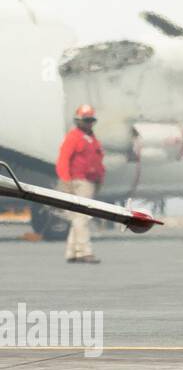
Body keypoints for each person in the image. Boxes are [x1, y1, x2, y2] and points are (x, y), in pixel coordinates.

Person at [55, 104, 105, 264]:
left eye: (91, 120)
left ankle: (72, 252)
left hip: (89, 182)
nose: (89, 123)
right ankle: (85, 252)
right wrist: (66, 181)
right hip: (79, 181)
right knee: (82, 218)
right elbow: (63, 160)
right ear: (78, 121)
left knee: (78, 218)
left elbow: (98, 161)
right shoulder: (73, 137)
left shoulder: (91, 139)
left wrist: (100, 179)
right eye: (86, 120)